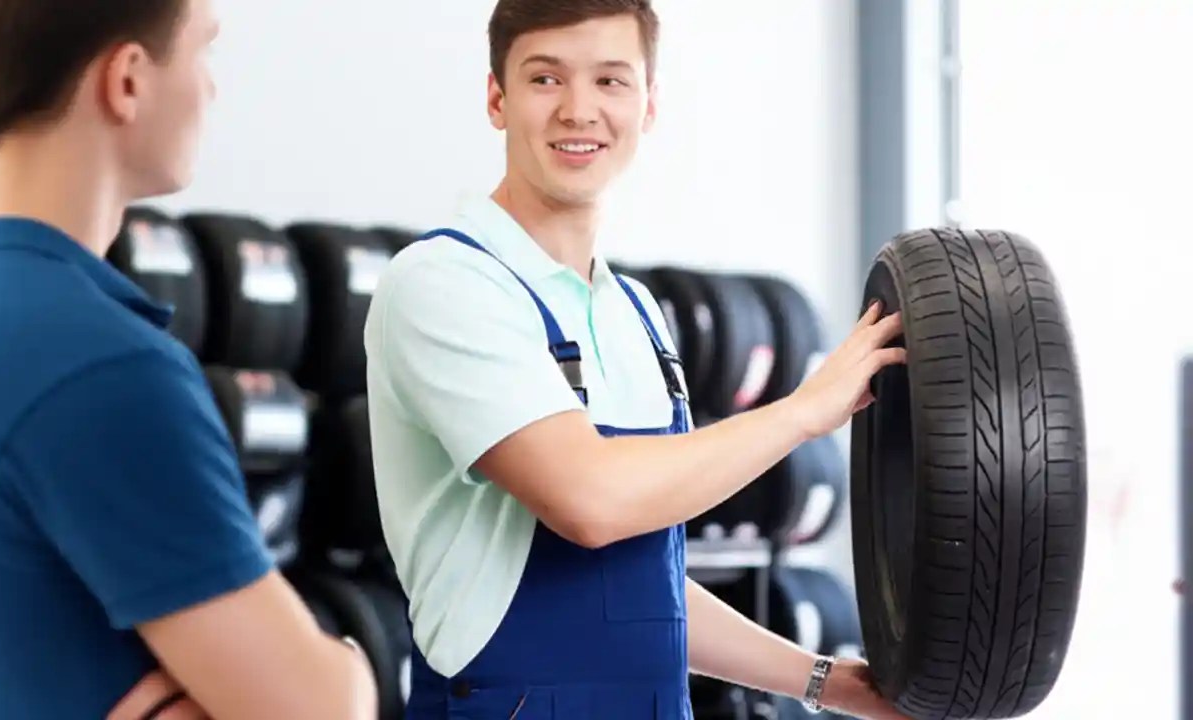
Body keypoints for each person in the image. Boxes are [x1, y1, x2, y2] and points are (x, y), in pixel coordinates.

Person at [363, 1, 911, 718]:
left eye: (611, 81)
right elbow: (591, 503)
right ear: (497, 98)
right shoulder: (444, 284)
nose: (579, 110)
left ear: (649, 105)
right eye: (546, 79)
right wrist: (804, 413)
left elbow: (644, 583)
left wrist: (824, 682)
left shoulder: (637, 313)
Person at [0, 2, 375, 718]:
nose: (211, 90)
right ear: (127, 81)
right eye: (202, 53)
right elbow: (320, 711)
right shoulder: (100, 366)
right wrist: (349, 667)